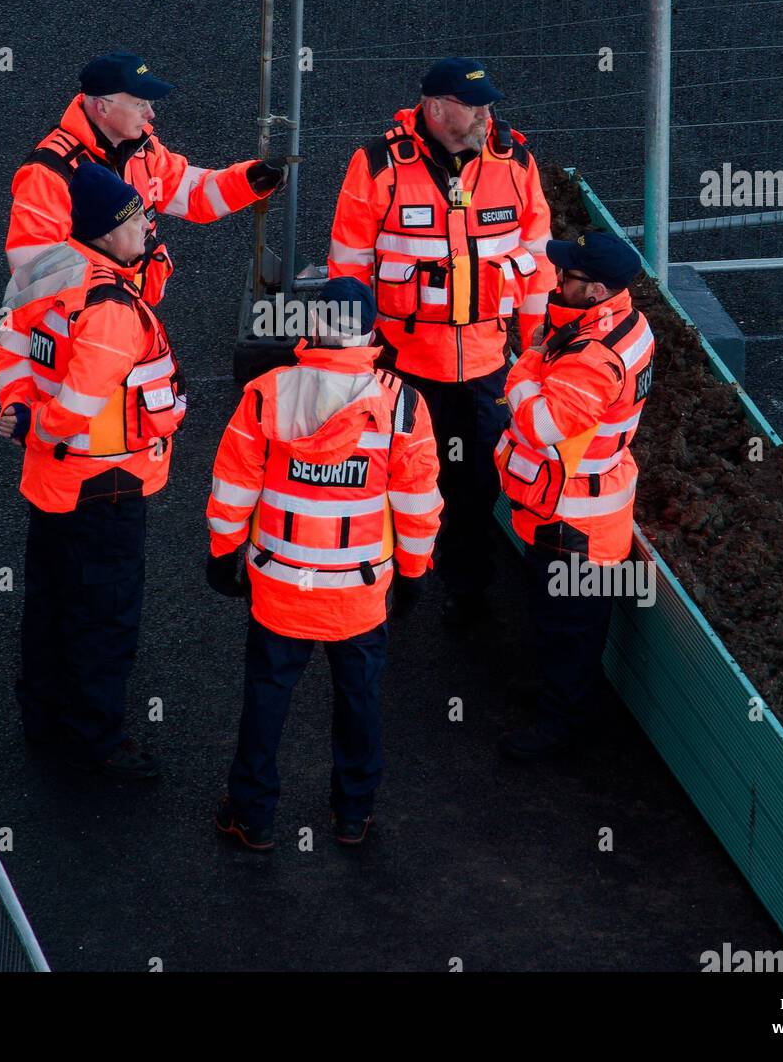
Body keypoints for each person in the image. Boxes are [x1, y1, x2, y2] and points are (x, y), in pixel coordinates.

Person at [205, 279, 442, 850]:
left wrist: (222, 552)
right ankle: (353, 814)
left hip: (280, 583)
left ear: (311, 326)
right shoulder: (402, 405)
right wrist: (413, 573)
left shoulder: (267, 393)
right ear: (368, 331)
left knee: (267, 696)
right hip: (359, 592)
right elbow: (417, 505)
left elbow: (234, 485)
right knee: (358, 699)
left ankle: (252, 814)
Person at [326, 57, 554, 629]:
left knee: (477, 484)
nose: (486, 115)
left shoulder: (517, 161)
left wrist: (538, 352)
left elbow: (539, 267)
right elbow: (348, 270)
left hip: (485, 364)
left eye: (488, 105)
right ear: (434, 108)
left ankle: (466, 591)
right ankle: (387, 582)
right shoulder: (376, 165)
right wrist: (350, 363)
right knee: (392, 478)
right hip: (404, 365)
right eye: (473, 106)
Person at [0, 162, 187, 779]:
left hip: (53, 482)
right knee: (105, 616)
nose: (148, 222)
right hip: (108, 487)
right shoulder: (111, 309)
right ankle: (99, 738)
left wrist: (19, 411)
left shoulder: (45, 270)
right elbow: (81, 401)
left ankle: (42, 718)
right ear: (105, 231)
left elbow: (9, 346)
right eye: (136, 217)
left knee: (48, 603)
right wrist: (44, 425)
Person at [493, 232, 654, 760]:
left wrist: (522, 368)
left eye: (569, 277)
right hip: (582, 508)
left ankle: (561, 725)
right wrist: (543, 355)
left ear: (597, 290)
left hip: (573, 522)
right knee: (561, 621)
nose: (557, 280)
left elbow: (541, 423)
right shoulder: (623, 324)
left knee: (570, 629)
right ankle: (557, 700)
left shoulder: (590, 357)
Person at [5, 49, 287, 302]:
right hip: (87, 322)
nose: (151, 114)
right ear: (103, 107)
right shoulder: (48, 172)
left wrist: (251, 179)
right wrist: (104, 300)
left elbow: (192, 194)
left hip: (127, 309)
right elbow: (32, 266)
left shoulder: (142, 149)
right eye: (140, 104)